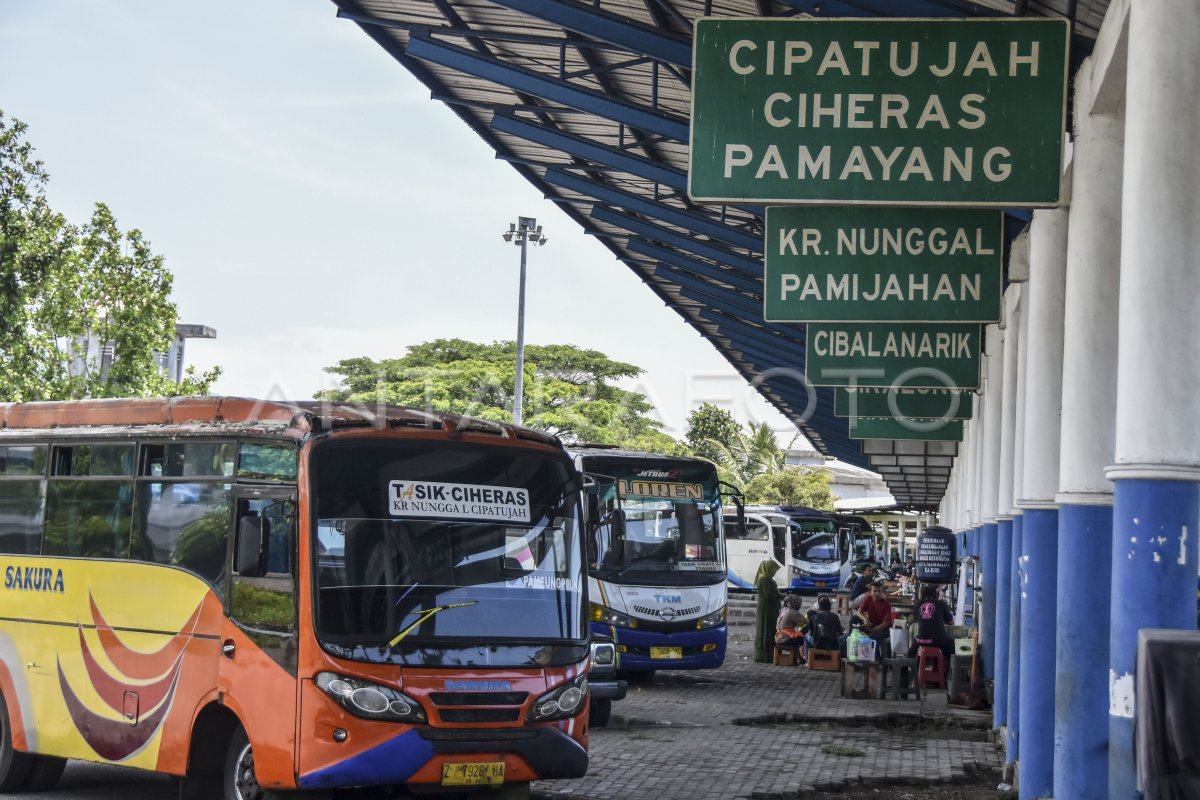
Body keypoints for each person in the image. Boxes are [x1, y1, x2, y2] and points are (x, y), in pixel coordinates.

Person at [908, 583, 955, 660]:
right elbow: (951, 622)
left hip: (921, 640)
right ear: (935, 594)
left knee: (910, 653)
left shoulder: (918, 604)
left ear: (922, 594)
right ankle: (951, 666)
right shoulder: (941, 603)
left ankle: (908, 666)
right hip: (938, 640)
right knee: (953, 647)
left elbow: (916, 619)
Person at [855, 580, 895, 656]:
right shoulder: (868, 600)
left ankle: (874, 658)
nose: (877, 593)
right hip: (872, 626)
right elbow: (858, 612)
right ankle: (851, 640)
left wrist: (873, 629)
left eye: (879, 591)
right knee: (853, 619)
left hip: (884, 630)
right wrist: (865, 619)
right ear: (870, 592)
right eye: (874, 591)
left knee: (873, 634)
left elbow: (886, 623)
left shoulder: (886, 604)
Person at [753, 560, 782, 663]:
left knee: (770, 630)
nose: (774, 572)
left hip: (770, 609)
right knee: (766, 630)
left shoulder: (767, 578)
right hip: (766, 610)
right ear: (768, 569)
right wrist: (781, 595)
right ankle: (764, 656)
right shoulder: (764, 579)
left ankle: (771, 655)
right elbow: (768, 595)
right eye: (774, 570)